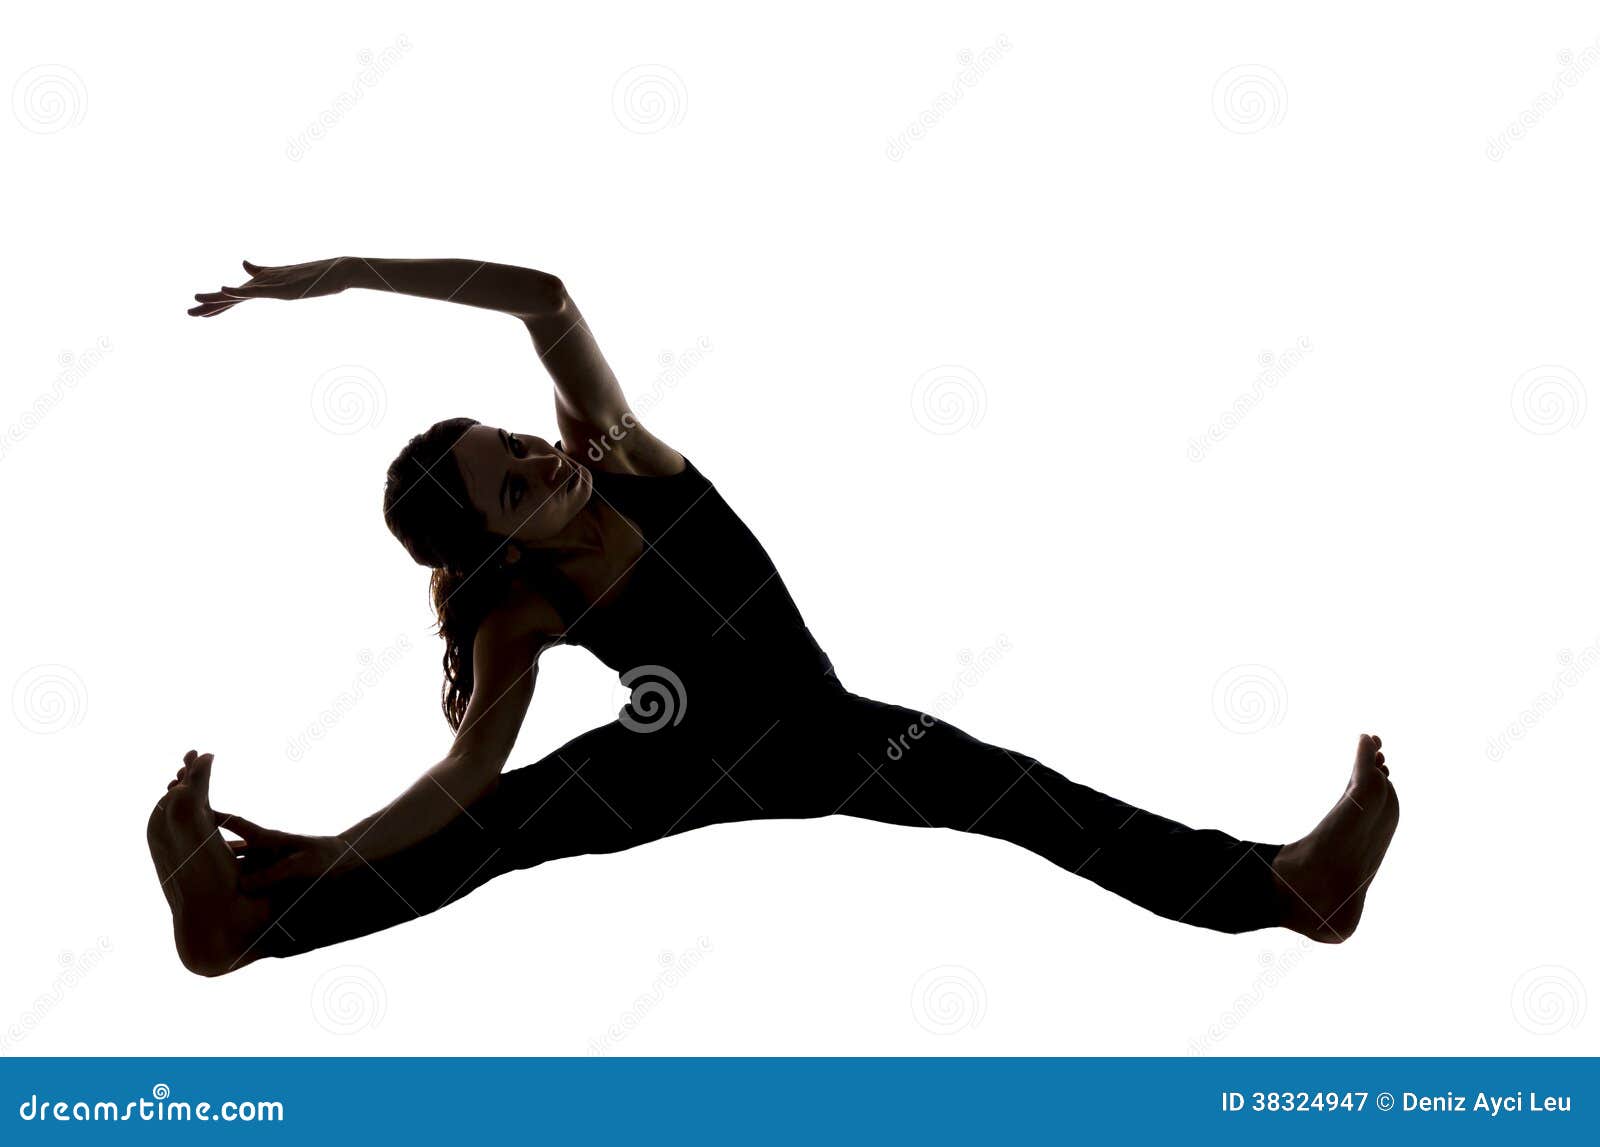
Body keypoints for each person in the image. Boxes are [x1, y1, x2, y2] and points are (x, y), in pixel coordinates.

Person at [148, 258, 1400, 977]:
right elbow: (471, 771)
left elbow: (544, 298)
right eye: (514, 484)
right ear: (496, 541)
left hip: (814, 732)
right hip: (673, 762)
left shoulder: (623, 452)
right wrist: (332, 851)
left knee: (1016, 793)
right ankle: (246, 926)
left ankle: (1282, 888)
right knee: (511, 829)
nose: (542, 459)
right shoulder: (522, 607)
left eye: (520, 440)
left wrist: (346, 275)